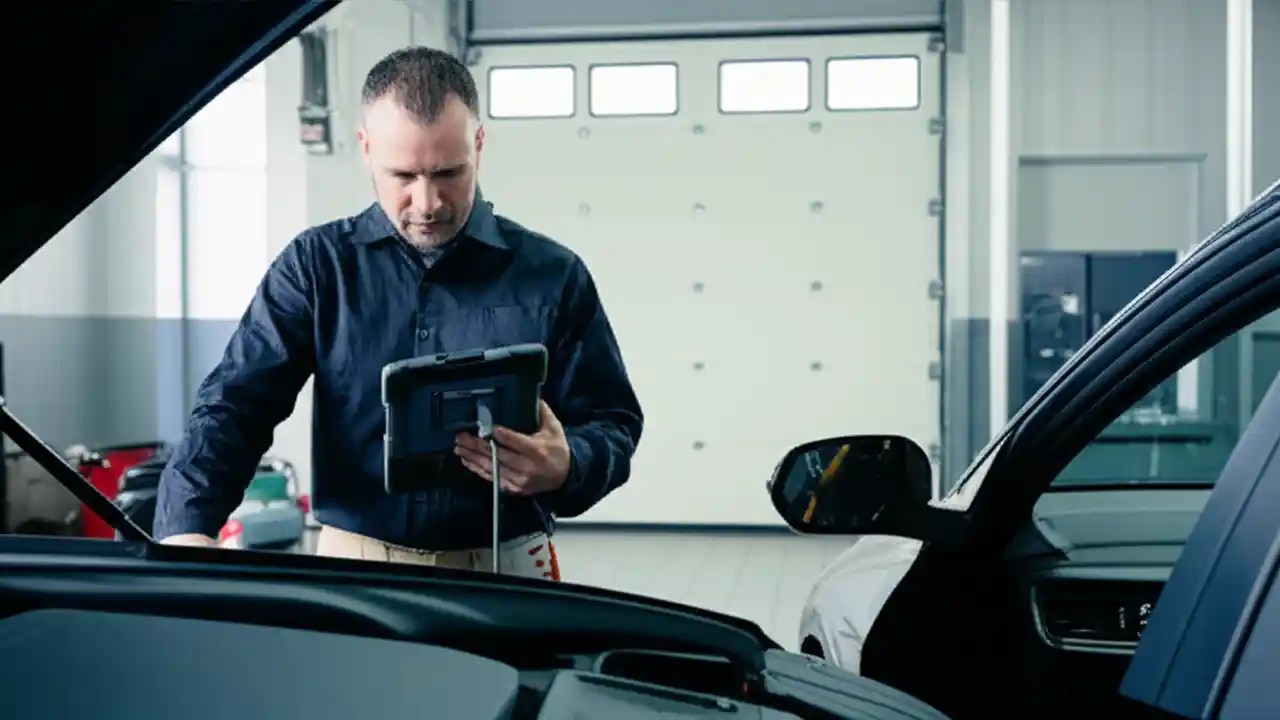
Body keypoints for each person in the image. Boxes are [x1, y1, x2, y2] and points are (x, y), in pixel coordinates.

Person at [152, 46, 643, 579]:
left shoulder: (554, 274)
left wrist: (570, 463)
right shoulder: (316, 267)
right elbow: (235, 404)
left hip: (511, 570)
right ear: (365, 149)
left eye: (448, 172)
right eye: (403, 175)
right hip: (357, 568)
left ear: (479, 145)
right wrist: (187, 527)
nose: (427, 202)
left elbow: (613, 422)